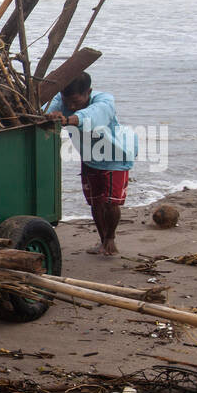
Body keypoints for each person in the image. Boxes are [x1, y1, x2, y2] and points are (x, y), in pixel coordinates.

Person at [44, 72, 138, 256]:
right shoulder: (61, 99)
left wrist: (67, 119)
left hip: (115, 156)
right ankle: (103, 240)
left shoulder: (104, 101)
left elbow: (92, 117)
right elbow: (47, 110)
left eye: (76, 102)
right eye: (67, 102)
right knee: (95, 202)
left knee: (111, 203)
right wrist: (49, 116)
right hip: (90, 156)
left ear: (89, 92)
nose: (70, 106)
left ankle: (110, 238)